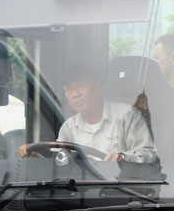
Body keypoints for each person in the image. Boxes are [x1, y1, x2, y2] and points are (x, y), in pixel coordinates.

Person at [16, 64, 156, 163]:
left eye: (81, 86)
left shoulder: (127, 115)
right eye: (69, 89)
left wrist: (122, 158)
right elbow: (60, 162)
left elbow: (148, 154)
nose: (75, 94)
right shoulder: (69, 127)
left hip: (121, 190)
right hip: (83, 192)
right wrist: (36, 155)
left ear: (98, 87)